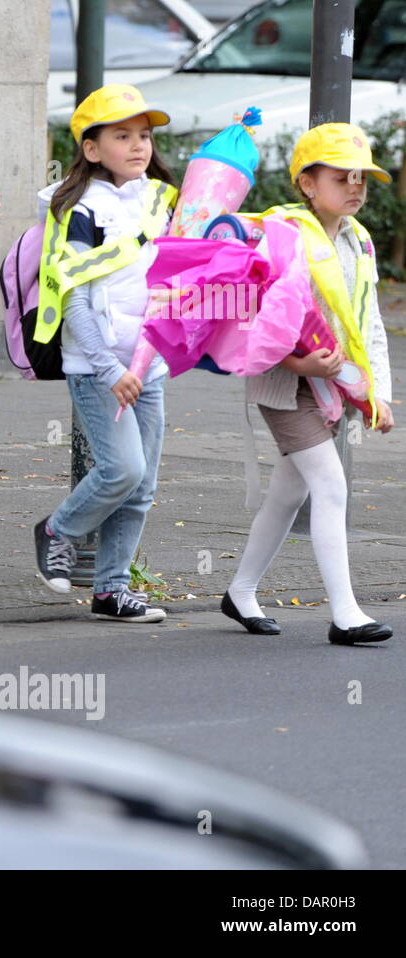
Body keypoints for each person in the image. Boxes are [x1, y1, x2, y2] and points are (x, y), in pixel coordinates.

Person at [223, 124, 394, 646]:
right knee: (330, 485)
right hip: (285, 385)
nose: (356, 187)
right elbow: (248, 314)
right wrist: (300, 366)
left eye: (362, 177)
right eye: (342, 177)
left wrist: (377, 389)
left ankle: (240, 592)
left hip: (335, 385)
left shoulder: (358, 239)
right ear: (306, 182)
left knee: (288, 493)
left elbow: (369, 321)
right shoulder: (282, 232)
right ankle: (346, 615)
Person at [32, 84, 179, 623]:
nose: (139, 145)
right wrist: (109, 366)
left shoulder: (161, 200)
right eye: (123, 135)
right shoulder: (79, 209)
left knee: (142, 486)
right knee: (121, 471)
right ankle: (57, 530)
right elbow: (71, 296)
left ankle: (111, 590)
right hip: (98, 367)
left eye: (144, 134)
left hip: (150, 365)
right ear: (92, 149)